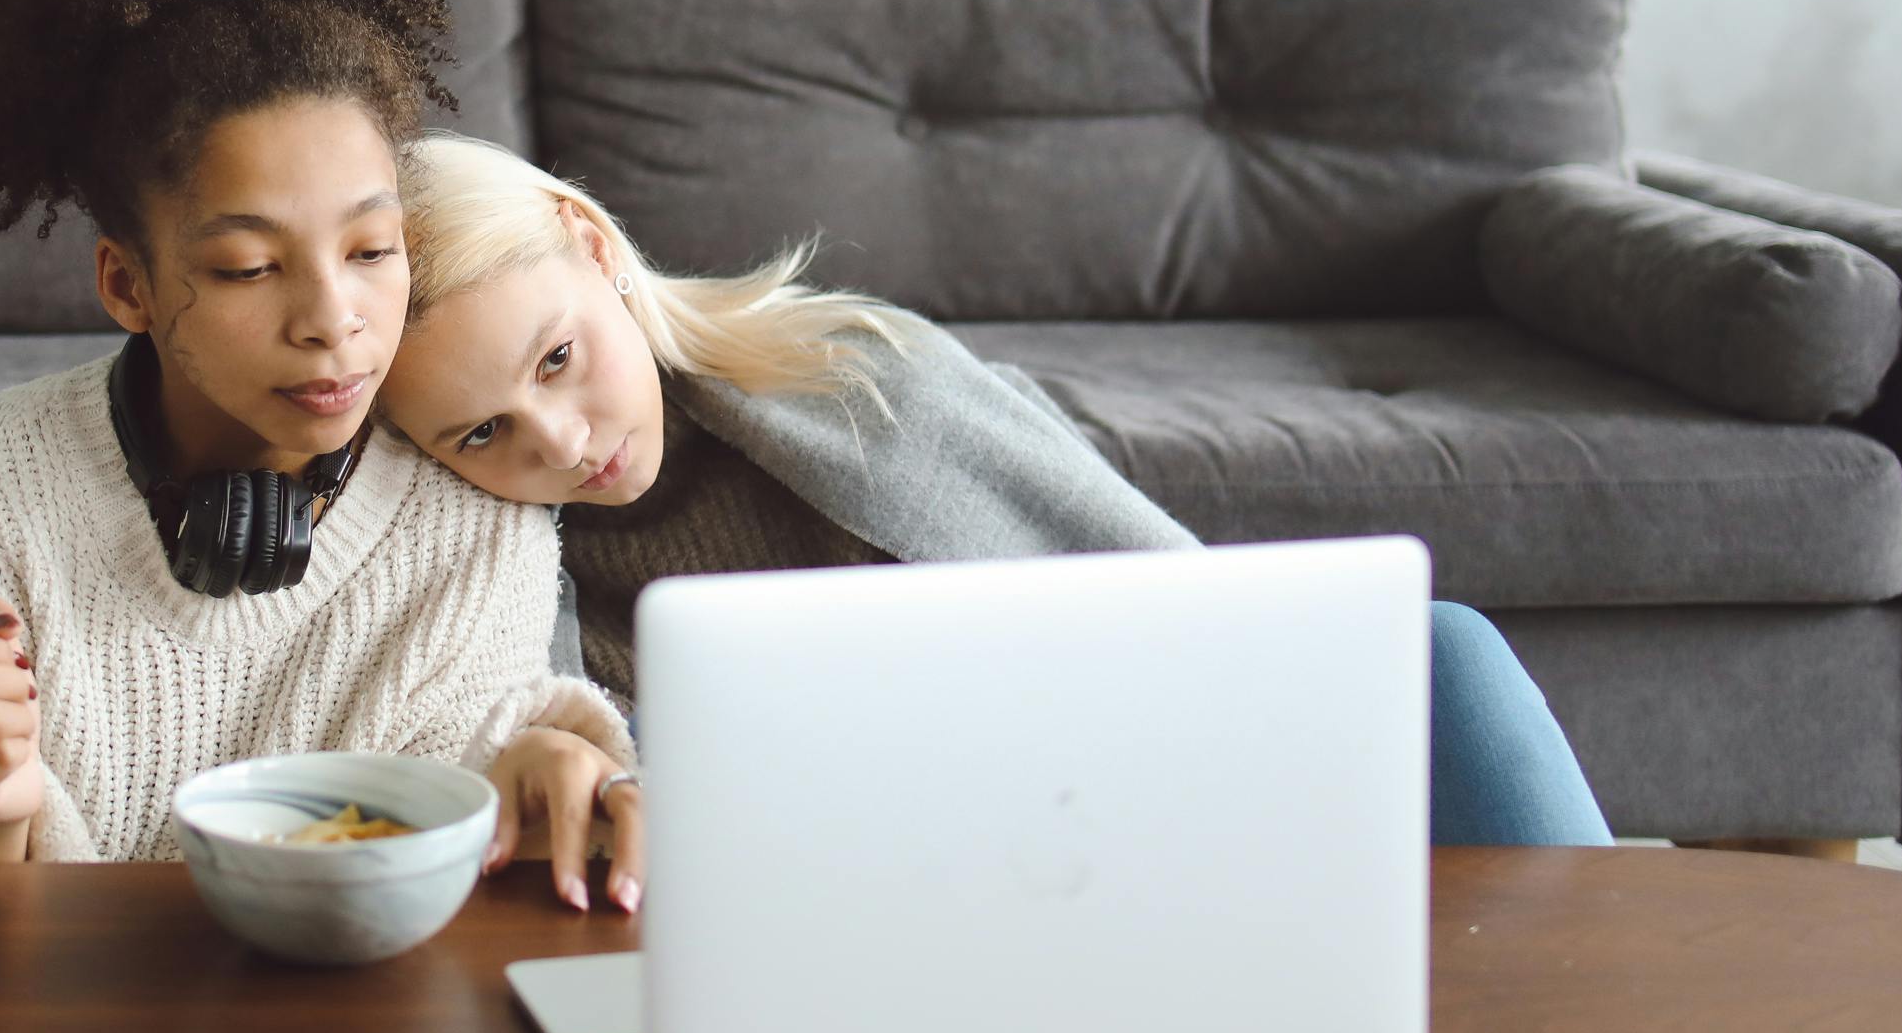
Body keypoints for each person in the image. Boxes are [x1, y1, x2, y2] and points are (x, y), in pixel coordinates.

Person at [0, 0, 642, 908]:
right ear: (127, 285)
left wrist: (540, 774)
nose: (333, 319)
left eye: (371, 248)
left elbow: (471, 789)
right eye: (248, 267)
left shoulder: (473, 493)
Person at [375, 133, 1614, 849]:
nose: (558, 439)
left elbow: (1178, 602)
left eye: (558, 358)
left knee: (1440, 653)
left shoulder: (872, 376)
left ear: (593, 244)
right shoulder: (487, 584)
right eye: (482, 430)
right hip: (890, 878)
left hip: (1120, 781)